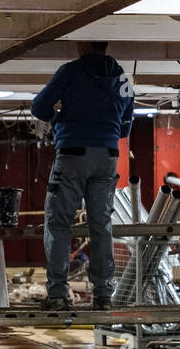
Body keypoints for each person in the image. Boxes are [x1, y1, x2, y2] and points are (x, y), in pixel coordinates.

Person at [30, 40, 135, 310]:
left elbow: (39, 108)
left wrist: (60, 119)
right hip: (108, 157)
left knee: (59, 223)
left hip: (73, 153)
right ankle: (103, 295)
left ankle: (57, 294)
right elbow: (125, 127)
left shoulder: (70, 72)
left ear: (83, 44)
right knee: (101, 225)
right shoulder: (123, 77)